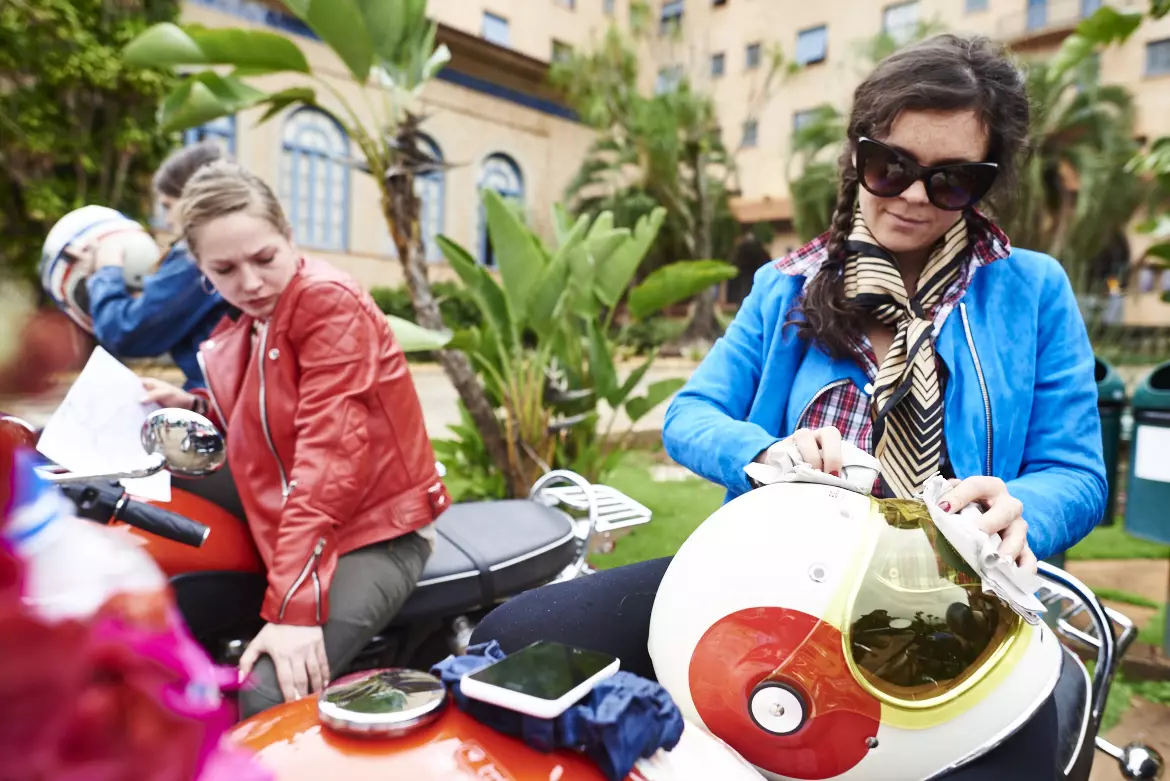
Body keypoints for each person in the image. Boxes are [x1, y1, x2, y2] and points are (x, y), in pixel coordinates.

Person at [471, 35, 1106, 780]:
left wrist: (1020, 507)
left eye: (951, 180)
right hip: (773, 572)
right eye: (890, 166)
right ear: (857, 153)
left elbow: (1076, 471)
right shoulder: (787, 285)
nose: (910, 197)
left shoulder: (1030, 288)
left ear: (985, 181)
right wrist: (767, 451)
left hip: (954, 605)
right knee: (518, 635)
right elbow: (693, 413)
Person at [139, 161, 451, 719]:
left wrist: (291, 611)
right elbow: (270, 417)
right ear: (203, 273)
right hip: (299, 502)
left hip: (375, 528)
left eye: (264, 258)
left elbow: (327, 458)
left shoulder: (327, 304)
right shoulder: (255, 318)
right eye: (226, 269)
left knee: (262, 694)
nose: (251, 282)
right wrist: (193, 407)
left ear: (289, 238)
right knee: (146, 481)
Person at [85, 142, 232, 390]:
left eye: (167, 206)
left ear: (192, 200)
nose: (166, 220)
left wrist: (107, 270)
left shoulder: (197, 258)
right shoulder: (228, 243)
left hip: (218, 403)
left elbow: (127, 332)